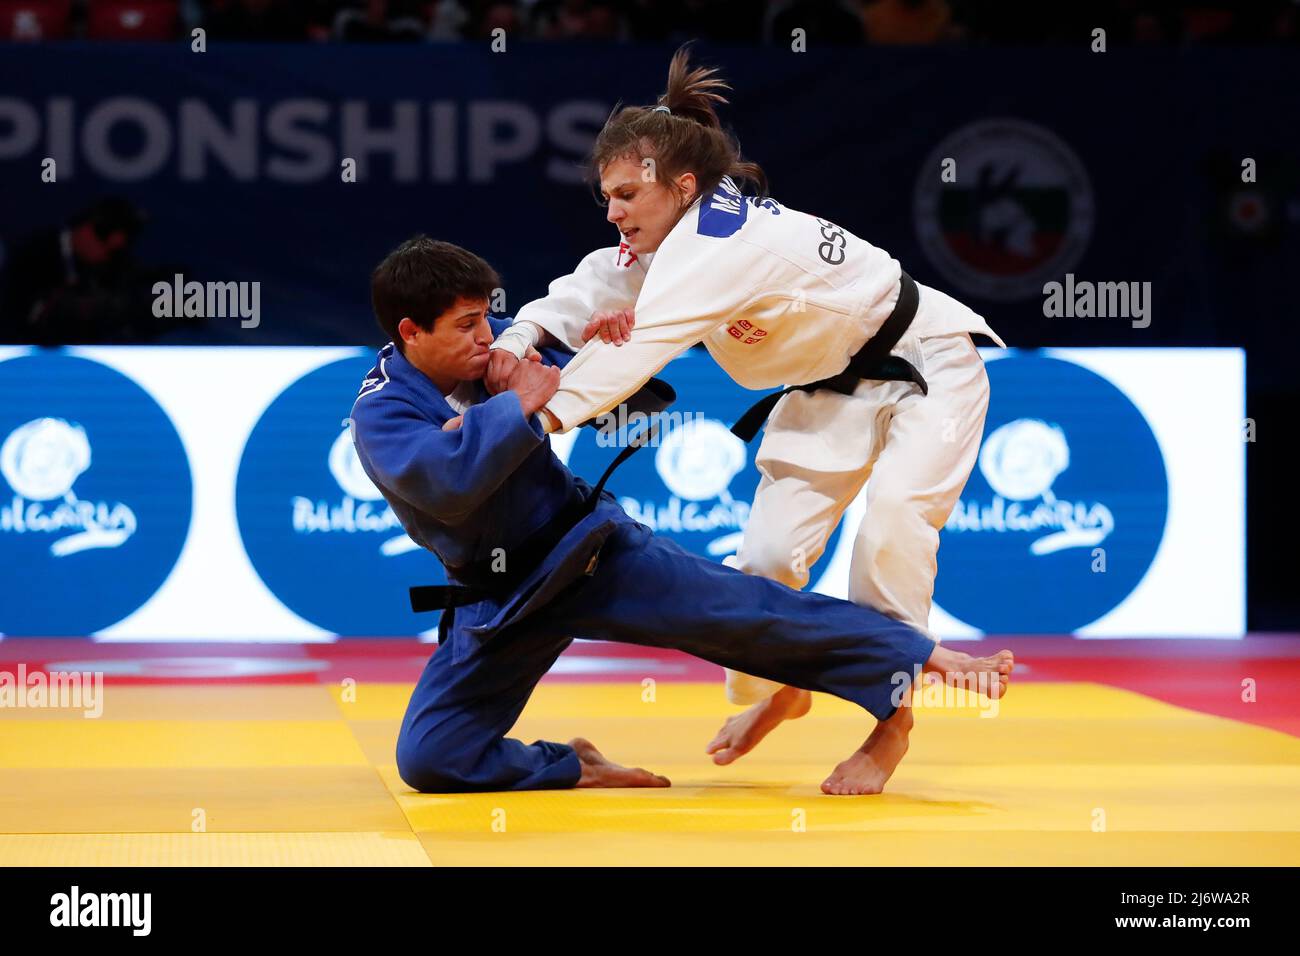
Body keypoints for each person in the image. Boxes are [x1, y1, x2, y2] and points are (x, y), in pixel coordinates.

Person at [486, 46, 1006, 792]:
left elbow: (639, 349)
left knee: (893, 523)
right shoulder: (666, 243)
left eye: (628, 194)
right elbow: (586, 288)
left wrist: (528, 421)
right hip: (824, 389)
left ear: (682, 185)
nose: (613, 212)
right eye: (607, 196)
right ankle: (785, 686)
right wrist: (516, 342)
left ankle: (891, 725)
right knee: (764, 560)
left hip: (927, 364)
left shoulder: (724, 241)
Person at [347, 235, 1012, 795]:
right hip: (501, 600)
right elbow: (445, 483)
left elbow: (580, 378)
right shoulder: (382, 411)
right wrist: (514, 407)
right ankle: (574, 764)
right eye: (466, 326)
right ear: (411, 332)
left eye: (485, 319)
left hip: (589, 557)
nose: (485, 336)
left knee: (745, 611)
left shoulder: (497, 367)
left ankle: (929, 658)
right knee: (430, 760)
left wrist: (603, 344)